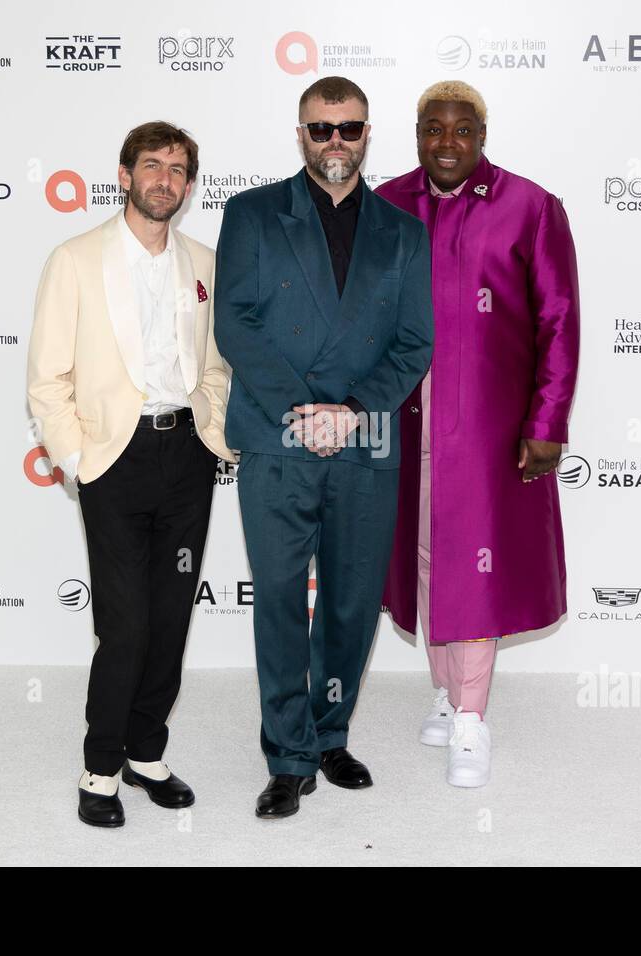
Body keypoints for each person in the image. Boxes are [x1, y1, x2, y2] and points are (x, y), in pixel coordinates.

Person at [214, 76, 433, 818]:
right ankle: (288, 754)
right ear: (300, 133)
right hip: (278, 435)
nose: (335, 141)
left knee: (349, 601)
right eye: (320, 128)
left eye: (349, 128)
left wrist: (350, 410)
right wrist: (303, 409)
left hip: (364, 437)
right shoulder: (250, 214)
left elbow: (414, 343)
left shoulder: (403, 231)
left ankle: (330, 731)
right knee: (278, 598)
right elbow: (235, 325)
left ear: (368, 133)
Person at [26, 121, 233, 827]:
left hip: (187, 458)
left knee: (172, 612)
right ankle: (100, 764)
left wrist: (210, 423)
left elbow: (216, 366)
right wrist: (80, 459)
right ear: (124, 175)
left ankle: (147, 751)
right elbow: (47, 378)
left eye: (178, 170)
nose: (164, 180)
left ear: (189, 184)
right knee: (126, 621)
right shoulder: (76, 260)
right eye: (152, 166)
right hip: (114, 459)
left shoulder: (204, 262)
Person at [376, 81, 581, 788]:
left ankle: (471, 716)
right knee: (425, 564)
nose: (448, 143)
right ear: (416, 135)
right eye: (433, 129)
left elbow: (559, 322)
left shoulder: (530, 208)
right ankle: (445, 689)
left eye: (462, 130)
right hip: (407, 423)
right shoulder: (387, 206)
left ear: (483, 135)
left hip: (491, 428)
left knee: (478, 568)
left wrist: (547, 422)